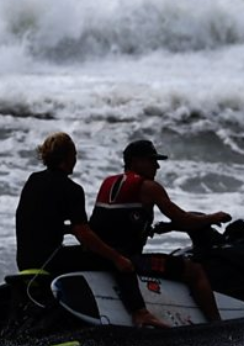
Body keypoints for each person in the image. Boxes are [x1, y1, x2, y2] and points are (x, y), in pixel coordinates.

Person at [14, 132, 164, 328]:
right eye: (75, 155)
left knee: (99, 253)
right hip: (51, 261)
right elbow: (84, 234)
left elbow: (37, 219)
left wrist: (68, 229)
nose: (75, 160)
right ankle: (140, 313)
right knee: (119, 259)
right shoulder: (72, 189)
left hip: (24, 259)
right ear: (68, 157)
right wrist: (116, 258)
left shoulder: (33, 180)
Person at [90, 139, 232, 325]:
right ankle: (217, 325)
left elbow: (116, 222)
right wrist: (213, 217)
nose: (157, 166)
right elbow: (184, 220)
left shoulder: (108, 182)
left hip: (103, 256)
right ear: (135, 161)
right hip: (128, 261)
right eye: (152, 160)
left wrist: (161, 227)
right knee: (195, 271)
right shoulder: (149, 187)